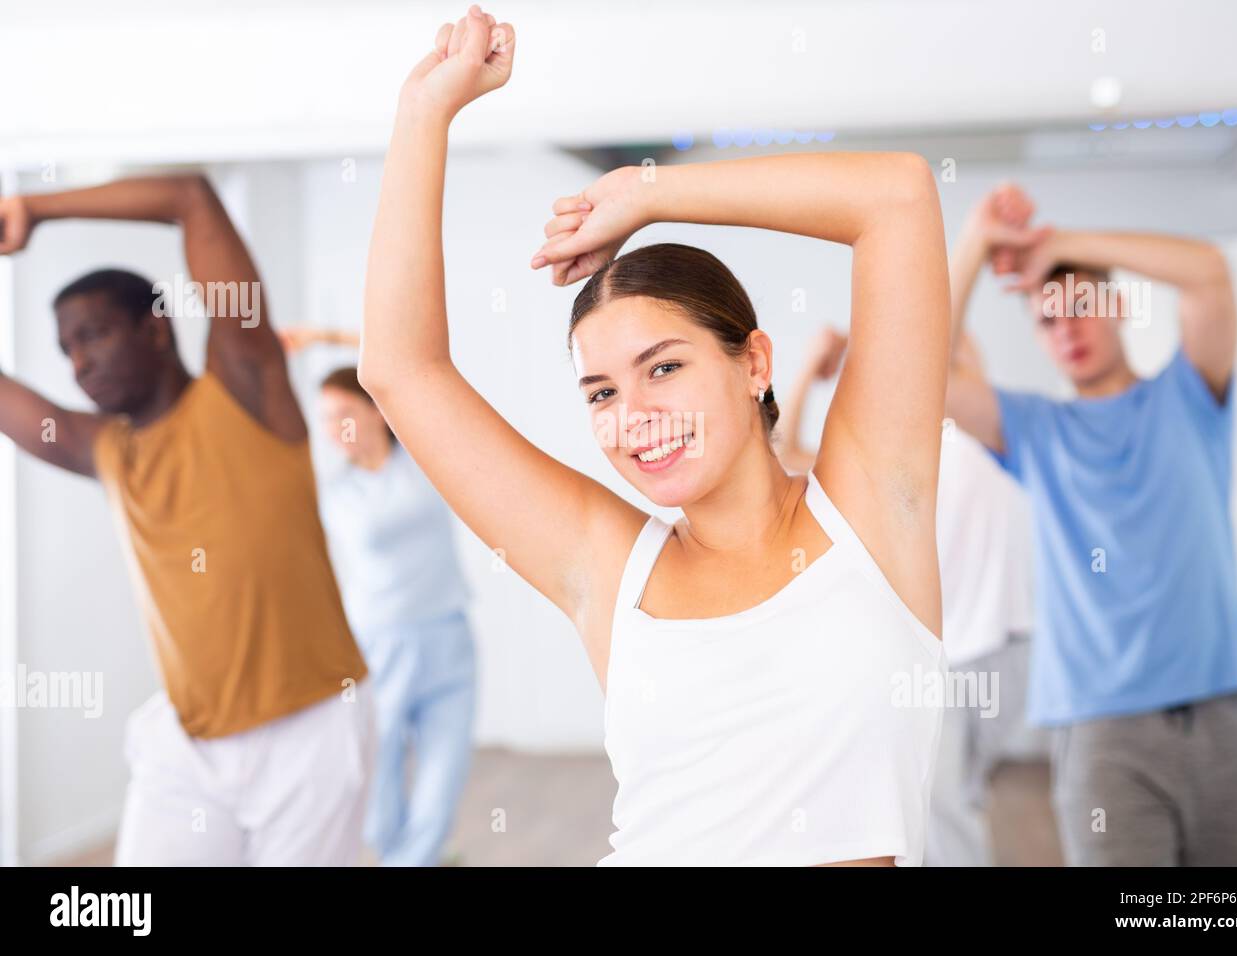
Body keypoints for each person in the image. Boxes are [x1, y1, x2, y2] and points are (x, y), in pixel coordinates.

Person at [359, 5, 949, 866]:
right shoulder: (609, 567)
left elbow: (896, 198)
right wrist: (423, 114)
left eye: (664, 367)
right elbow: (402, 372)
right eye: (601, 390)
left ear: (755, 363)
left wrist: (650, 191)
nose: (633, 413)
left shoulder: (871, 511)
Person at [0, 175, 373, 865]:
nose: (79, 363)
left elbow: (191, 198)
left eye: (95, 335)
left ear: (155, 326)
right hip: (187, 745)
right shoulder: (104, 449)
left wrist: (34, 209)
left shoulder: (244, 384)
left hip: (312, 730)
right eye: (66, 349)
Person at [944, 183, 1237, 866]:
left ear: (1118, 306)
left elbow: (1208, 272)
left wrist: (1059, 246)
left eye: (1081, 305)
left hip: (1225, 713)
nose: (1066, 327)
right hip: (1103, 732)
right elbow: (917, 374)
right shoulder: (1035, 430)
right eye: (1047, 318)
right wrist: (976, 241)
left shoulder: (1189, 393)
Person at [777, 325, 1037, 866]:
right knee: (941, 800)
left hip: (999, 648)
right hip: (937, 660)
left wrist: (872, 336)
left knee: (947, 798)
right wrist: (809, 368)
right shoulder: (891, 460)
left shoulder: (987, 435)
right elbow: (785, 457)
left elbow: (954, 342)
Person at [281, 326, 477, 867]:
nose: (331, 428)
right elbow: (287, 432)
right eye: (323, 417)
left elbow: (406, 353)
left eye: (343, 412)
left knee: (443, 774)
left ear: (376, 411)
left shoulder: (420, 457)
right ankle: (406, 859)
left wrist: (327, 337)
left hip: (448, 635)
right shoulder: (331, 485)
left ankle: (418, 857)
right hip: (376, 644)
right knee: (378, 775)